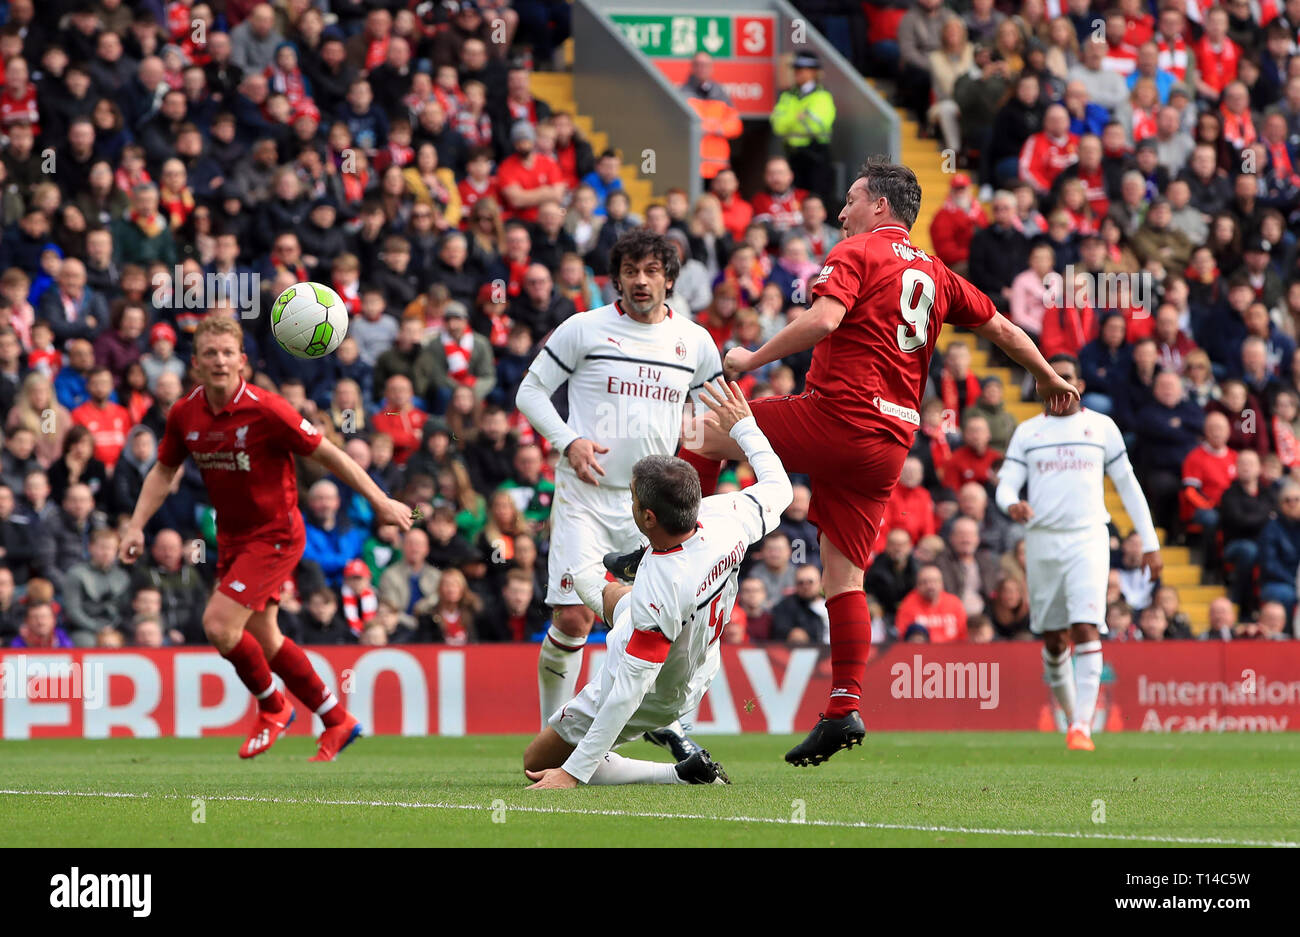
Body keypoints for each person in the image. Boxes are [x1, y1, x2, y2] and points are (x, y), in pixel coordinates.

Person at [687, 159, 1078, 766]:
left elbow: (823, 319)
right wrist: (1050, 376)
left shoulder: (859, 251)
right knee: (844, 576)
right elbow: (1003, 329)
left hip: (838, 415)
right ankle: (843, 705)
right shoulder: (938, 272)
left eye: (850, 201)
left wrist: (750, 357)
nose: (841, 213)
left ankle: (679, 552)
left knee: (706, 431)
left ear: (879, 208)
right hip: (891, 443)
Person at [118, 317, 414, 762]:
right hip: (234, 537)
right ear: (195, 364)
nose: (219, 362)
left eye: (226, 354)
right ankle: (336, 718)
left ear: (242, 362)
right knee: (264, 636)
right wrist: (136, 524)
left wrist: (380, 500)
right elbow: (164, 470)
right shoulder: (184, 413)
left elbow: (330, 454)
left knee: (219, 625)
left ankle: (273, 707)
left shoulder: (268, 409)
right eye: (209, 354)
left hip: (276, 534)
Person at [522, 379, 792, 788]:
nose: (630, 505)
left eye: (633, 500)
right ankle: (616, 569)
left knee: (536, 758)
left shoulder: (663, 590)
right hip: (699, 655)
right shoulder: (727, 514)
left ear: (649, 518)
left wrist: (572, 773)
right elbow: (780, 487)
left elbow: (628, 691)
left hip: (660, 688)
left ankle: (681, 774)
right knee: (597, 584)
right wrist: (744, 426)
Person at [515, 228, 723, 759]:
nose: (640, 280)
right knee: (572, 618)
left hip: (650, 512)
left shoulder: (694, 342)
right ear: (618, 279)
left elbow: (719, 413)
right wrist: (569, 441)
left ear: (670, 280)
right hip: (586, 498)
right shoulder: (584, 329)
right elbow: (529, 392)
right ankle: (552, 739)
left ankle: (666, 721)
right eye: (631, 271)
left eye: (652, 271)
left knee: (660, 620)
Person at [995, 354, 1161, 751]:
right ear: (1039, 386)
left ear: (1078, 385)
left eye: (1064, 377)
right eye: (1047, 378)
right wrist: (1011, 504)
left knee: (1086, 626)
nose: (1056, 384)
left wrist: (1150, 543)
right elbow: (1005, 485)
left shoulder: (1101, 427)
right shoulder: (1028, 432)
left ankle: (1082, 727)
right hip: (1041, 542)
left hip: (1088, 537)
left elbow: (1128, 485)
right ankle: (1073, 718)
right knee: (1053, 640)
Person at [770, 53, 836, 201]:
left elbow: (817, 126)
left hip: (816, 154)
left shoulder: (822, 95)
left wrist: (790, 121)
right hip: (793, 155)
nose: (797, 73)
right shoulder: (788, 96)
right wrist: (799, 117)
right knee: (795, 199)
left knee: (817, 199)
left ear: (813, 72)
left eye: (802, 69)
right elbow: (777, 125)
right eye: (796, 69)